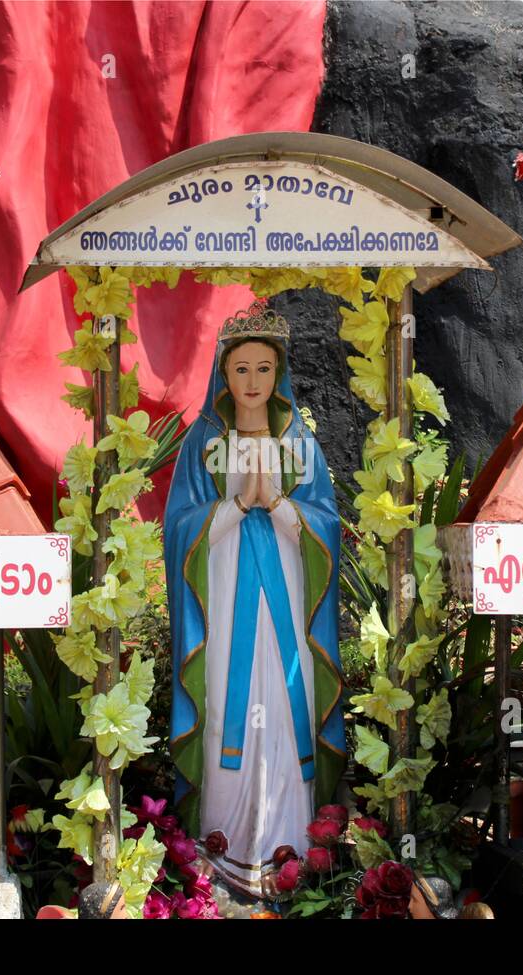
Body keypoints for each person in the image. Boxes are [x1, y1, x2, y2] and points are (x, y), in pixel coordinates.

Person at [164, 301, 345, 897]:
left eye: (263, 369)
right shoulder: (202, 445)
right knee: (222, 701)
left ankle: (291, 849)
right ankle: (221, 852)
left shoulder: (302, 446)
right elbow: (179, 528)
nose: (251, 383)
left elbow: (326, 526)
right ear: (224, 374)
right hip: (221, 596)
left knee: (284, 701)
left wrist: (280, 504)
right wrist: (236, 506)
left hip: (287, 604)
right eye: (240, 369)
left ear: (279, 374)